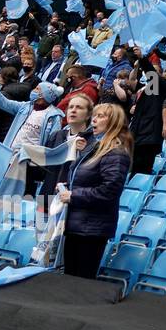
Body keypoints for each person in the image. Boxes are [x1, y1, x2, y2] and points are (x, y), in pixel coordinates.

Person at [56, 103, 132, 280]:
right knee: (69, 278)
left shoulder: (116, 153)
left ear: (113, 122)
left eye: (101, 116)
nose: (94, 120)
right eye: (95, 115)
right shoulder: (94, 147)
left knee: (81, 281)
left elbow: (109, 191)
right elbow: (84, 178)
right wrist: (67, 186)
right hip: (77, 224)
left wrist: (73, 195)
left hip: (91, 229)